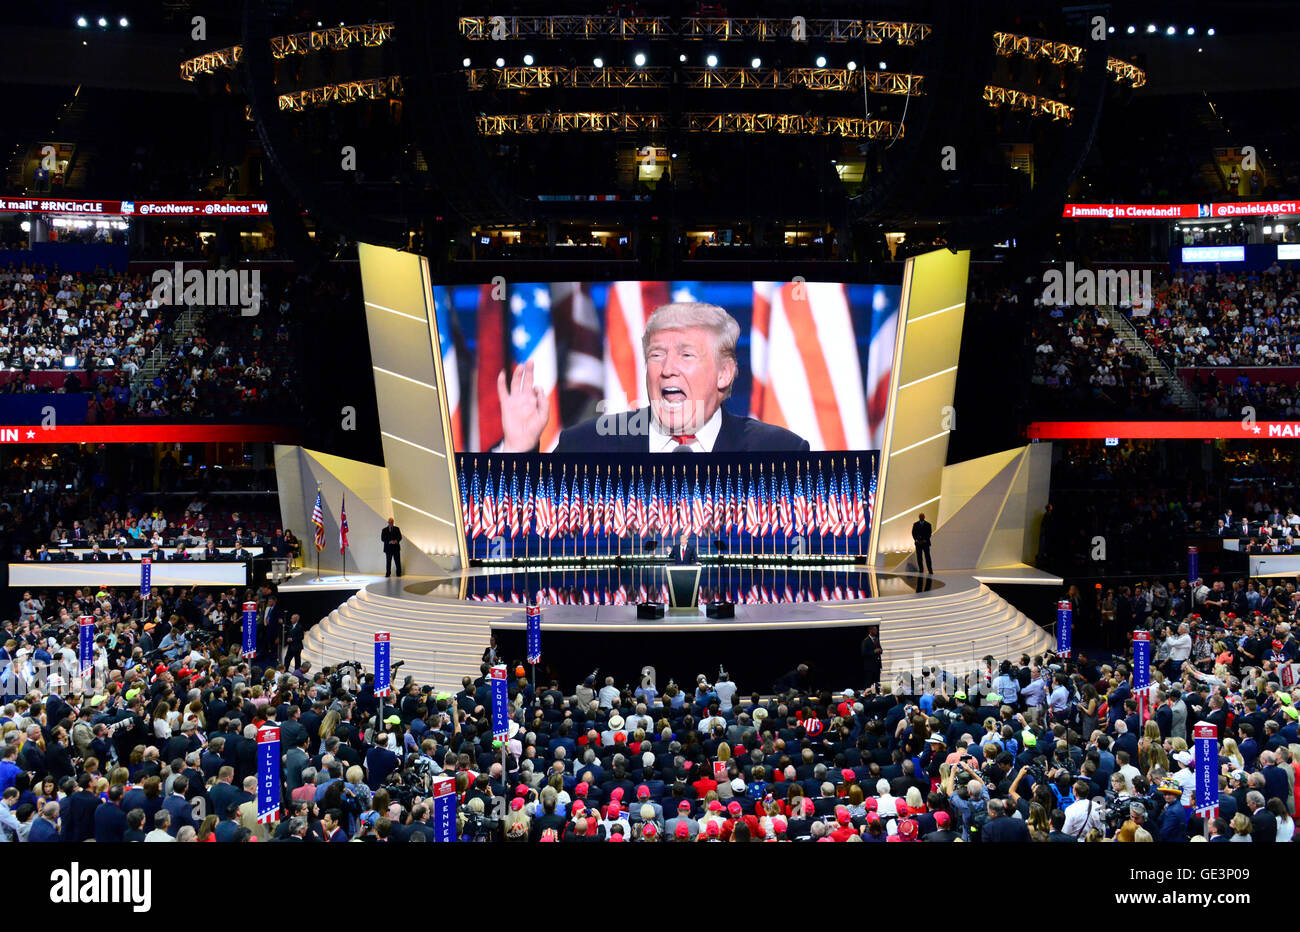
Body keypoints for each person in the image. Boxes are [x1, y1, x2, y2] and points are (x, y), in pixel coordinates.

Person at [497, 302, 809, 453]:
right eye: (656, 355)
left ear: (724, 374)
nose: (667, 368)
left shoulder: (779, 452)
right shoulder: (586, 446)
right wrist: (518, 449)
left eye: (686, 355)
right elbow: (532, 539)